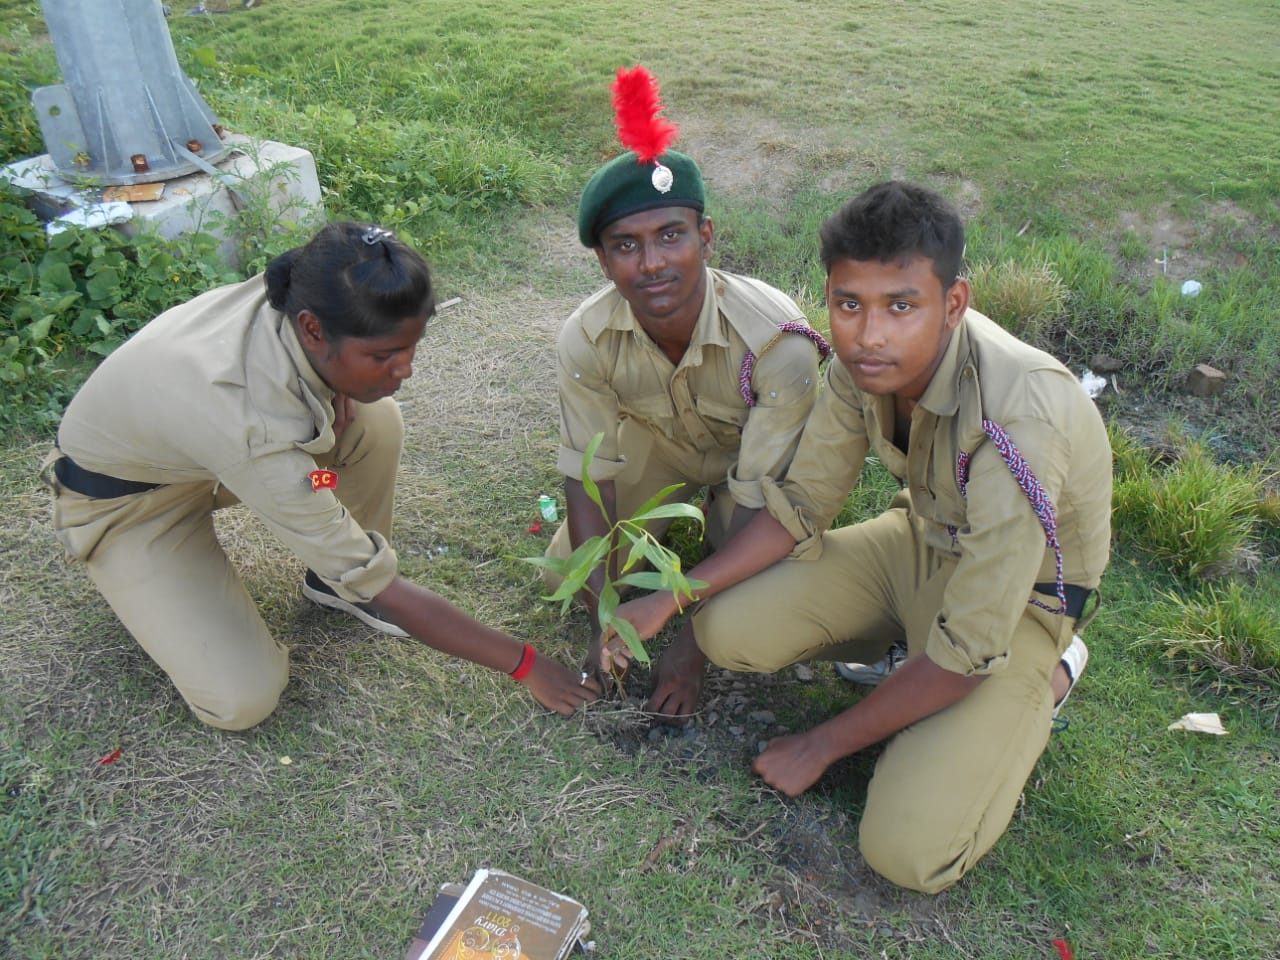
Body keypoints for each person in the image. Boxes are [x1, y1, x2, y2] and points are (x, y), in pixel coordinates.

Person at [600, 182, 1112, 893]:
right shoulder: (859, 367)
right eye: (849, 304)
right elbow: (802, 504)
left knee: (908, 854)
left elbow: (970, 645)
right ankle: (907, 655)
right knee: (724, 626)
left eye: (901, 306)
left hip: (1021, 603)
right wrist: (673, 595)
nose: (869, 335)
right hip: (917, 543)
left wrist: (821, 744)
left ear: (954, 304)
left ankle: (1049, 675)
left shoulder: (1020, 417)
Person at [43, 221, 601, 730]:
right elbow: (384, 584)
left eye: (411, 348)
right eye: (383, 356)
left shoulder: (309, 288)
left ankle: (331, 584)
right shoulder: (253, 423)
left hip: (208, 457)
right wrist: (526, 663)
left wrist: (334, 388)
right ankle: (317, 574)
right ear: (312, 330)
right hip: (132, 504)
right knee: (242, 699)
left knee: (374, 422)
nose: (405, 369)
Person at [548, 140, 829, 692]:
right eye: (626, 245)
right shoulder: (586, 336)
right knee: (570, 571)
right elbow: (587, 478)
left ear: (706, 237)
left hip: (753, 472)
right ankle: (692, 524)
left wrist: (691, 645)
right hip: (661, 447)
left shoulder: (776, 342)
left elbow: (764, 496)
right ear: (603, 261)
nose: (652, 263)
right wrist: (603, 620)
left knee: (759, 582)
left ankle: (711, 528)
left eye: (671, 236)